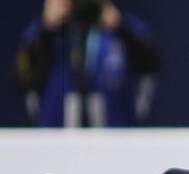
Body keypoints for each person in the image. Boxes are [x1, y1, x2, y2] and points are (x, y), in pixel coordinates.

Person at [15, 0, 160, 127]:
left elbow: (150, 65)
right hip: (55, 136)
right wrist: (46, 31)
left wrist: (120, 27)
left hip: (116, 136)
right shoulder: (42, 32)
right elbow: (24, 79)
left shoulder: (126, 28)